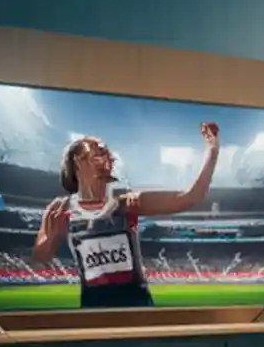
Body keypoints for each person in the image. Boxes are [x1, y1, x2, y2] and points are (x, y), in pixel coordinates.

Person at [32, 123, 220, 308]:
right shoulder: (60, 209)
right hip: (93, 315)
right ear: (78, 162)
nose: (109, 157)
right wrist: (52, 237)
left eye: (107, 153)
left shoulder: (127, 204)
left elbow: (190, 197)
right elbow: (40, 257)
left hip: (138, 312)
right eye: (98, 152)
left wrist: (212, 149)